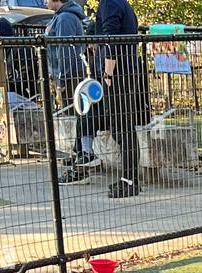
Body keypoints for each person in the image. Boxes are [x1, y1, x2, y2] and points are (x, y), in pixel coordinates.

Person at [93, 0, 149, 199]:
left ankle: (130, 179)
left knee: (123, 127)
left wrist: (108, 73)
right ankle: (129, 178)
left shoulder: (110, 3)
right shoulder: (120, 3)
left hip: (118, 74)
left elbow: (111, 39)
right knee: (122, 127)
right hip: (127, 70)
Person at [44, 0, 97, 181]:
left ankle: (82, 164)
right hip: (69, 74)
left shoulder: (65, 18)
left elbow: (64, 49)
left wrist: (62, 77)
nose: (44, 1)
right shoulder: (61, 17)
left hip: (70, 75)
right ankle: (79, 156)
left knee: (78, 116)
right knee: (76, 117)